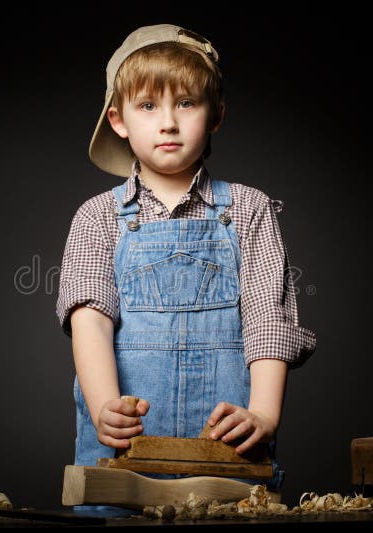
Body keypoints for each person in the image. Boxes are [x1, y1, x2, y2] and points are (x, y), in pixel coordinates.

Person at [56, 24, 316, 515]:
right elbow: (90, 317)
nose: (168, 123)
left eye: (186, 103)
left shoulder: (250, 210)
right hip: (123, 461)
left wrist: (264, 414)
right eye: (148, 106)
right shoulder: (97, 217)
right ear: (119, 120)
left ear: (216, 114)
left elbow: (268, 319)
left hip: (228, 461)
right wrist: (104, 405)